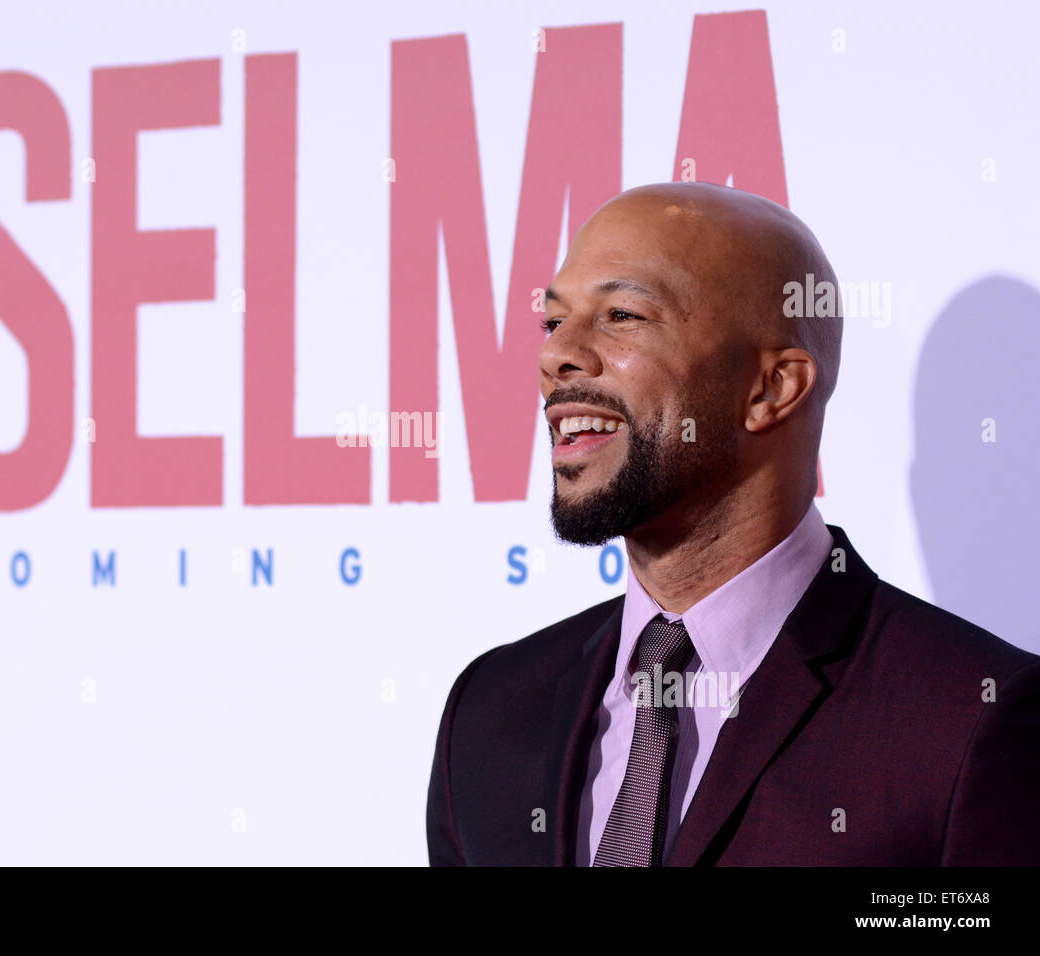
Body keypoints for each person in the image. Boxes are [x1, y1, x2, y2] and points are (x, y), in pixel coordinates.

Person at [425, 182, 1040, 866]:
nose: (555, 356)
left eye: (622, 315)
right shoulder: (491, 713)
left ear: (772, 389)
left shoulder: (970, 719)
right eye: (553, 322)